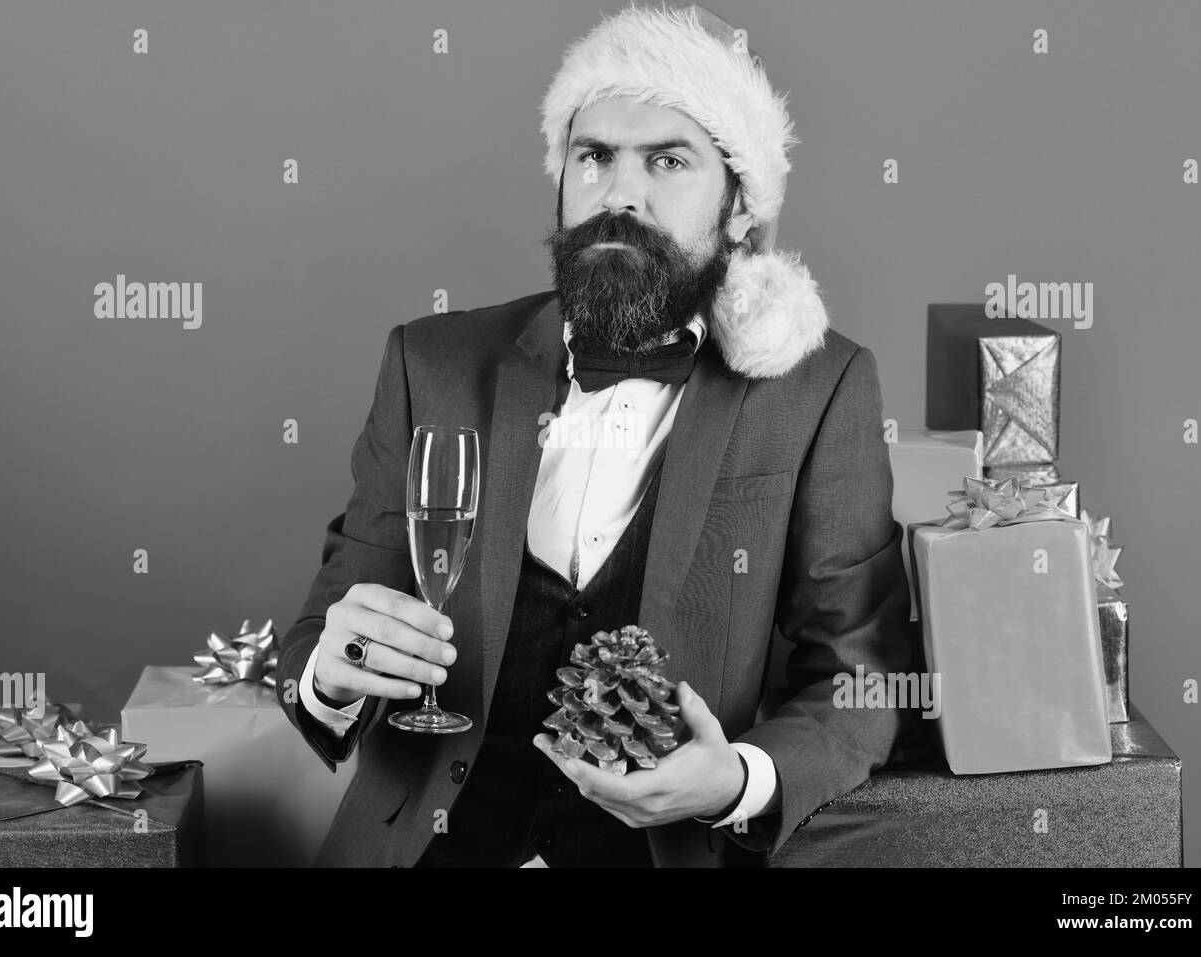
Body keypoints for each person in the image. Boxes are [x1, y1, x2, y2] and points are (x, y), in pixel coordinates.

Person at [275, 1, 912, 867]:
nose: (620, 193)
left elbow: (860, 676)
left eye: (668, 161)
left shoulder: (820, 390)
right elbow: (326, 634)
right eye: (595, 156)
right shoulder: (432, 363)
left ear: (737, 211)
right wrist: (330, 677)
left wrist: (736, 781)